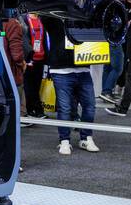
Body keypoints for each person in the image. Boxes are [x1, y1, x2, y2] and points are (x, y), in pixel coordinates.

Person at [39, 12, 98, 154]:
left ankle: (86, 137)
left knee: (90, 105)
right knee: (64, 108)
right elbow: (43, 12)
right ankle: (64, 140)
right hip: (61, 70)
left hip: (83, 68)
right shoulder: (53, 17)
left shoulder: (84, 16)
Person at [22, 11, 47, 118]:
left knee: (36, 86)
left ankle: (33, 109)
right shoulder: (23, 19)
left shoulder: (43, 19)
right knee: (28, 86)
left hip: (41, 58)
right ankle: (36, 110)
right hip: (29, 58)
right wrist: (26, 58)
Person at [2, 11, 27, 114]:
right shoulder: (12, 24)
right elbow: (17, 55)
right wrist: (22, 64)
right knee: (14, 112)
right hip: (11, 76)